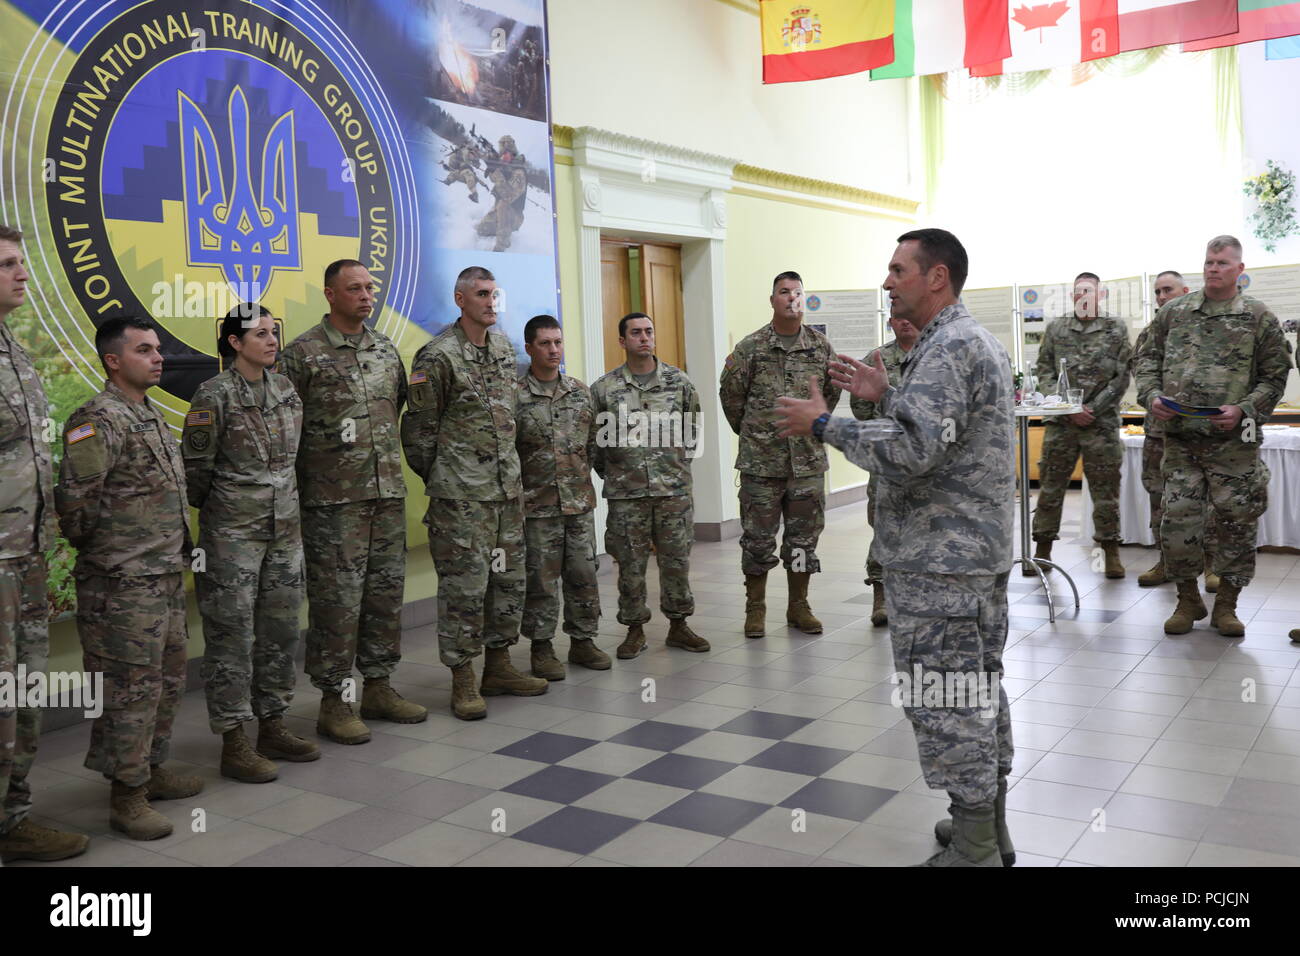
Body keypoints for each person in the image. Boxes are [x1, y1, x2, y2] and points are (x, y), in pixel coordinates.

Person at [775, 229, 1015, 867]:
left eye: (897, 269)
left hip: (942, 561)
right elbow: (935, 430)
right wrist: (887, 396)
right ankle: (987, 826)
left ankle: (976, 850)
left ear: (936, 278)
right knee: (977, 687)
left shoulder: (948, 348)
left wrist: (826, 424)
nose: (887, 282)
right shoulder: (964, 341)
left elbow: (911, 452)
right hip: (971, 557)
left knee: (946, 696)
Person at [55, 315, 204, 840]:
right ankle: (127, 795)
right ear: (113, 360)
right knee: (128, 691)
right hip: (121, 586)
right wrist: (117, 555)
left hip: (161, 579)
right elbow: (76, 508)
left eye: (158, 348)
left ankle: (151, 770)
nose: (159, 357)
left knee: (165, 684)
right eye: (145, 349)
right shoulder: (97, 419)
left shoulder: (147, 414)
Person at [279, 260, 426, 745]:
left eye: (370, 287)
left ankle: (379, 688)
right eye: (354, 288)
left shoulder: (384, 348)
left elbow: (400, 407)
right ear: (329, 294)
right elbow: (283, 431)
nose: (366, 296)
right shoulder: (302, 354)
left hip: (385, 496)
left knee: (384, 597)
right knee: (337, 605)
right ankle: (334, 702)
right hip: (332, 505)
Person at [401, 266, 547, 721]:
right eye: (481, 294)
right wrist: (447, 478)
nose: (490, 301)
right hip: (461, 499)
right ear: (460, 300)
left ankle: (499, 666)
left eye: (494, 293)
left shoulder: (503, 347)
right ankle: (463, 678)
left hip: (506, 494)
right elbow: (419, 432)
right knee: (464, 590)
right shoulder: (438, 356)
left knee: (508, 583)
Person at [182, 304, 319, 784]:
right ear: (235, 343)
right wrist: (230, 513)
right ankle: (234, 740)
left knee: (281, 632)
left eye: (273, 332)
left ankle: (273, 724)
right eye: (259, 334)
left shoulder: (285, 389)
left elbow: (294, 461)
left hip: (284, 533)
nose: (271, 340)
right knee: (231, 639)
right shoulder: (213, 396)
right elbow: (196, 474)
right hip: (232, 539)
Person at [1135, 235, 1292, 638]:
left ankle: (1227, 606)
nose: (1213, 268)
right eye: (1208, 262)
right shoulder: (1175, 312)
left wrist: (1246, 409)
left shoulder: (1257, 317)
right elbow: (1146, 359)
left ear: (1240, 270)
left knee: (1236, 524)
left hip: (1234, 444)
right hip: (1181, 440)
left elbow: (1275, 376)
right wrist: (1151, 396)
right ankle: (1188, 600)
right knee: (1177, 523)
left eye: (1222, 263)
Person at [0, 225, 88, 862]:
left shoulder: (15, 353)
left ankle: (13, 815)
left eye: (21, 264)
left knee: (24, 691)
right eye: (8, 265)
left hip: (25, 559)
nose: (22, 275)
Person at [719, 271, 839, 639]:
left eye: (797, 292)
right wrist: (757, 434)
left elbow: (830, 396)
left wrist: (810, 428)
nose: (791, 298)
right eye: (783, 292)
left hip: (806, 464)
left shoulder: (820, 347)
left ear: (805, 300)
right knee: (757, 539)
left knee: (803, 539)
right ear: (772, 300)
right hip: (761, 463)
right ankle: (755, 608)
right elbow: (731, 397)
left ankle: (798, 605)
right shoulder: (751, 348)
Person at [592, 313, 707, 659]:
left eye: (649, 331)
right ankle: (634, 630)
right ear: (622, 341)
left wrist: (671, 470)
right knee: (630, 565)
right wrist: (618, 474)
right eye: (636, 333)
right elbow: (596, 445)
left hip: (672, 493)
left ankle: (679, 626)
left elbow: (693, 433)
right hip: (627, 496)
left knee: (676, 562)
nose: (644, 338)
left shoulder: (679, 382)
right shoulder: (605, 389)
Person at [516, 314, 610, 678]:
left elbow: (592, 444)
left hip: (578, 503)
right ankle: (542, 648)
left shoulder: (579, 392)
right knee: (540, 579)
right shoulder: (516, 396)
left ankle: (583, 641)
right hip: (537, 506)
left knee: (584, 572)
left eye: (557, 342)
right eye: (545, 343)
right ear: (529, 349)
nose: (554, 350)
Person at [1030, 272, 1132, 578]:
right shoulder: (1057, 328)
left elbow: (1122, 376)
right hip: (1062, 424)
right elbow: (1044, 370)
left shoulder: (1116, 328)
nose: (1083, 297)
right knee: (1050, 488)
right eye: (1078, 292)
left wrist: (1093, 409)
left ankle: (1109, 550)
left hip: (1100, 424)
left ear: (1101, 295)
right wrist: (1068, 408)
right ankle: (1042, 549)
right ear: (1073, 296)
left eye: (1089, 292)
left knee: (1106, 491)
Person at [1135, 270, 1223, 590]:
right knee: (1160, 499)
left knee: (1208, 501)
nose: (1161, 296)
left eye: (1167, 289)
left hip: (1200, 431)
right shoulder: (1150, 332)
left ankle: (1211, 565)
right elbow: (1142, 373)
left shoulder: (1206, 326)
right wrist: (1151, 397)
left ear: (1185, 290)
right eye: (1157, 291)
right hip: (1160, 430)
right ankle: (1165, 562)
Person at [850, 313, 918, 628]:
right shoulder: (877, 359)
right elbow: (860, 406)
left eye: (911, 318)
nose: (905, 322)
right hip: (888, 459)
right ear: (890, 322)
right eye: (898, 319)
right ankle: (881, 597)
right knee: (884, 528)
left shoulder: (935, 355)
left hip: (927, 460)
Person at [476, 135, 527, 252]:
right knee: (481, 229)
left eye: (507, 153)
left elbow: (508, 196)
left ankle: (502, 245)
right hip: (502, 211)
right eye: (503, 153)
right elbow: (498, 183)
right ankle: (501, 228)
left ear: (513, 154)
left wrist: (495, 172)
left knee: (503, 204)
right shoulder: (505, 168)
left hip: (514, 215)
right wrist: (492, 167)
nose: (504, 156)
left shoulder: (519, 171)